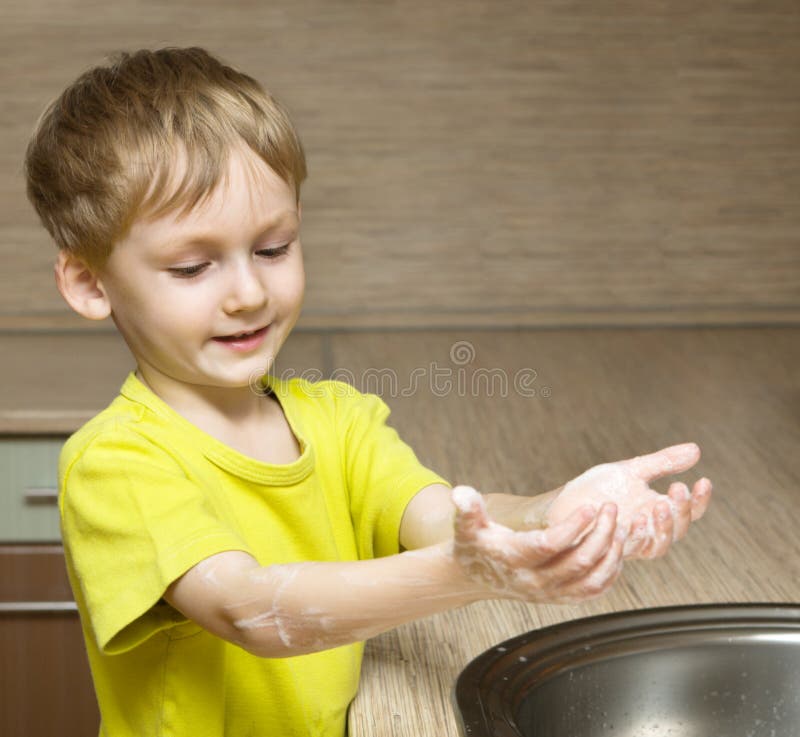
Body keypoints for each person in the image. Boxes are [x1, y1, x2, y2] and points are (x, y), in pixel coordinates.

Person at [23, 46, 712, 737]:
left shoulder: (339, 422)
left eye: (273, 248)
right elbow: (252, 609)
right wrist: (473, 575)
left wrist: (563, 509)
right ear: (89, 282)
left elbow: (447, 519)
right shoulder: (116, 463)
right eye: (193, 266)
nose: (249, 292)